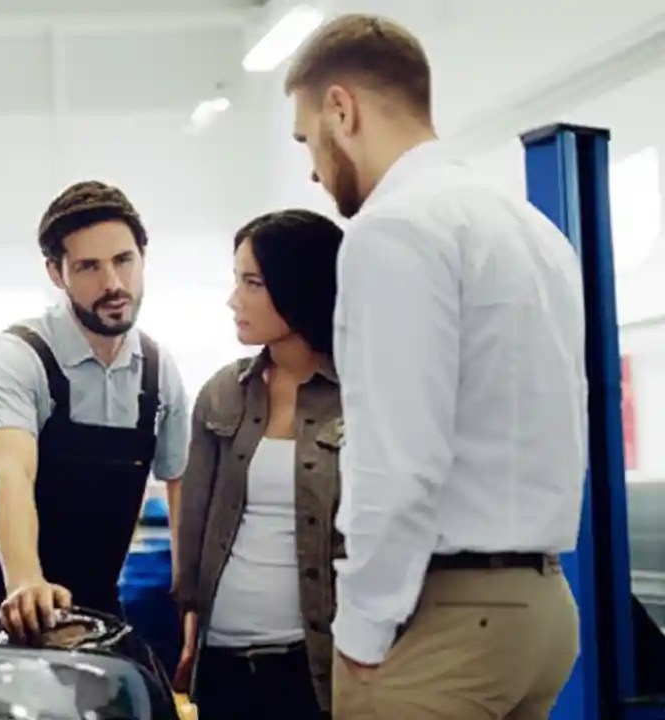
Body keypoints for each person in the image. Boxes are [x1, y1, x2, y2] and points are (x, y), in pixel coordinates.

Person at [283, 13, 587, 719]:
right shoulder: (530, 229)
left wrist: (358, 635)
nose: (312, 168)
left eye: (308, 139)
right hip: (540, 611)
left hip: (447, 620)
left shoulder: (393, 229)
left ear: (341, 108)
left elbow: (400, 458)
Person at [0, 180, 190, 644]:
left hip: (97, 603)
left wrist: (188, 600)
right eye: (88, 267)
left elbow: (180, 484)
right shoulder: (19, 356)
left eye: (124, 260)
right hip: (6, 601)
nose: (113, 284)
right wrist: (26, 583)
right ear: (56, 274)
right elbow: (13, 474)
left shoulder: (159, 372)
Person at [172, 209, 344, 719]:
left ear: (298, 286)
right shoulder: (224, 393)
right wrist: (190, 626)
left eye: (252, 282)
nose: (233, 300)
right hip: (223, 666)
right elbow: (194, 525)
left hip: (314, 668)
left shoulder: (363, 395)